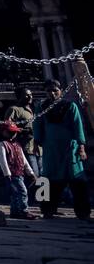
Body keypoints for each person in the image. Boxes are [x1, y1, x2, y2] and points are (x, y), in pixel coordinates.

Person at [33, 79, 89, 220]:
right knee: (46, 180)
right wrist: (36, 142)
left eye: (55, 90)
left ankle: (83, 212)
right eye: (49, 91)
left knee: (77, 181)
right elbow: (37, 125)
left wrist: (81, 146)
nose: (52, 93)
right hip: (50, 150)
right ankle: (46, 210)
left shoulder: (70, 106)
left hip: (70, 149)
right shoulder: (41, 107)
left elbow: (78, 126)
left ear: (61, 90)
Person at [0, 121, 39, 219]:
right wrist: (7, 174)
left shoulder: (18, 145)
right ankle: (23, 211)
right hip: (12, 174)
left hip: (20, 173)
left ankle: (15, 211)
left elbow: (24, 161)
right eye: (9, 132)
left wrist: (31, 173)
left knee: (16, 193)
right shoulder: (2, 145)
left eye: (14, 132)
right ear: (3, 132)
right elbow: (3, 161)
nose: (12, 134)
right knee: (22, 191)